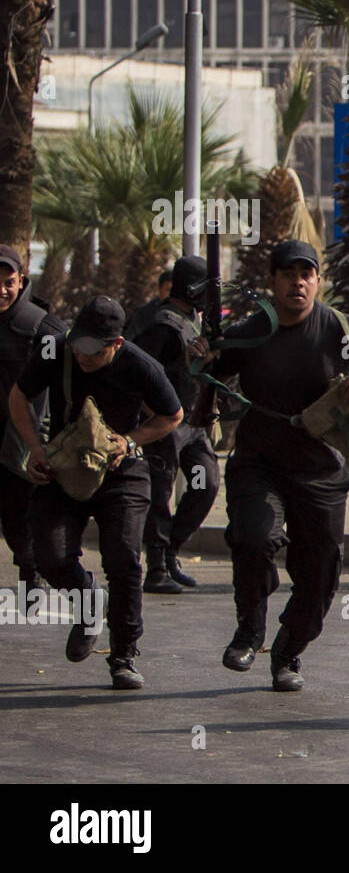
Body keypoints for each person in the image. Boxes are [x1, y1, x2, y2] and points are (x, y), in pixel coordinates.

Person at [203, 241, 349, 691]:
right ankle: (250, 630)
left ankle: (289, 651)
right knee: (254, 537)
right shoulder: (249, 332)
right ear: (272, 281)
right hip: (259, 464)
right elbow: (205, 370)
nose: (298, 281)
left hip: (321, 471)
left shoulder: (340, 327)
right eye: (288, 273)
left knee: (321, 572)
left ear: (318, 281)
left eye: (307, 273)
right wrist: (199, 351)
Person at [9, 296, 183, 689]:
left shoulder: (140, 364)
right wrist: (35, 449)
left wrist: (131, 441)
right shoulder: (56, 349)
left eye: (94, 349)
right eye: (79, 344)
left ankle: (124, 654)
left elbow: (172, 415)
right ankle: (90, 603)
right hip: (64, 469)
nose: (83, 355)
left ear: (116, 344)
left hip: (121, 473)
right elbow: (19, 397)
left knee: (122, 558)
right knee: (49, 557)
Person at [131, 256, 217, 595]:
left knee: (205, 482)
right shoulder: (162, 325)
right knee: (159, 492)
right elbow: (138, 371)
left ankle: (171, 550)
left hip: (194, 422)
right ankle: (155, 567)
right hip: (165, 422)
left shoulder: (194, 320)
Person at [0, 245, 66, 598]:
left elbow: (67, 380)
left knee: (17, 518)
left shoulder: (43, 328)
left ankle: (29, 566)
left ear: (21, 281)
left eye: (8, 282)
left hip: (20, 440)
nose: (1, 290)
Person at [123, 267, 173, 342]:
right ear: (159, 289)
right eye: (168, 290)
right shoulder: (145, 313)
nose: (171, 295)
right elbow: (129, 339)